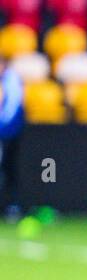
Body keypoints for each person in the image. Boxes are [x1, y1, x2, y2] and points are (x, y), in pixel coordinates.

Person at [0, 56, 24, 219]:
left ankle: (12, 206)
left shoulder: (12, 80)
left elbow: (10, 108)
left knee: (10, 169)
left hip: (9, 133)